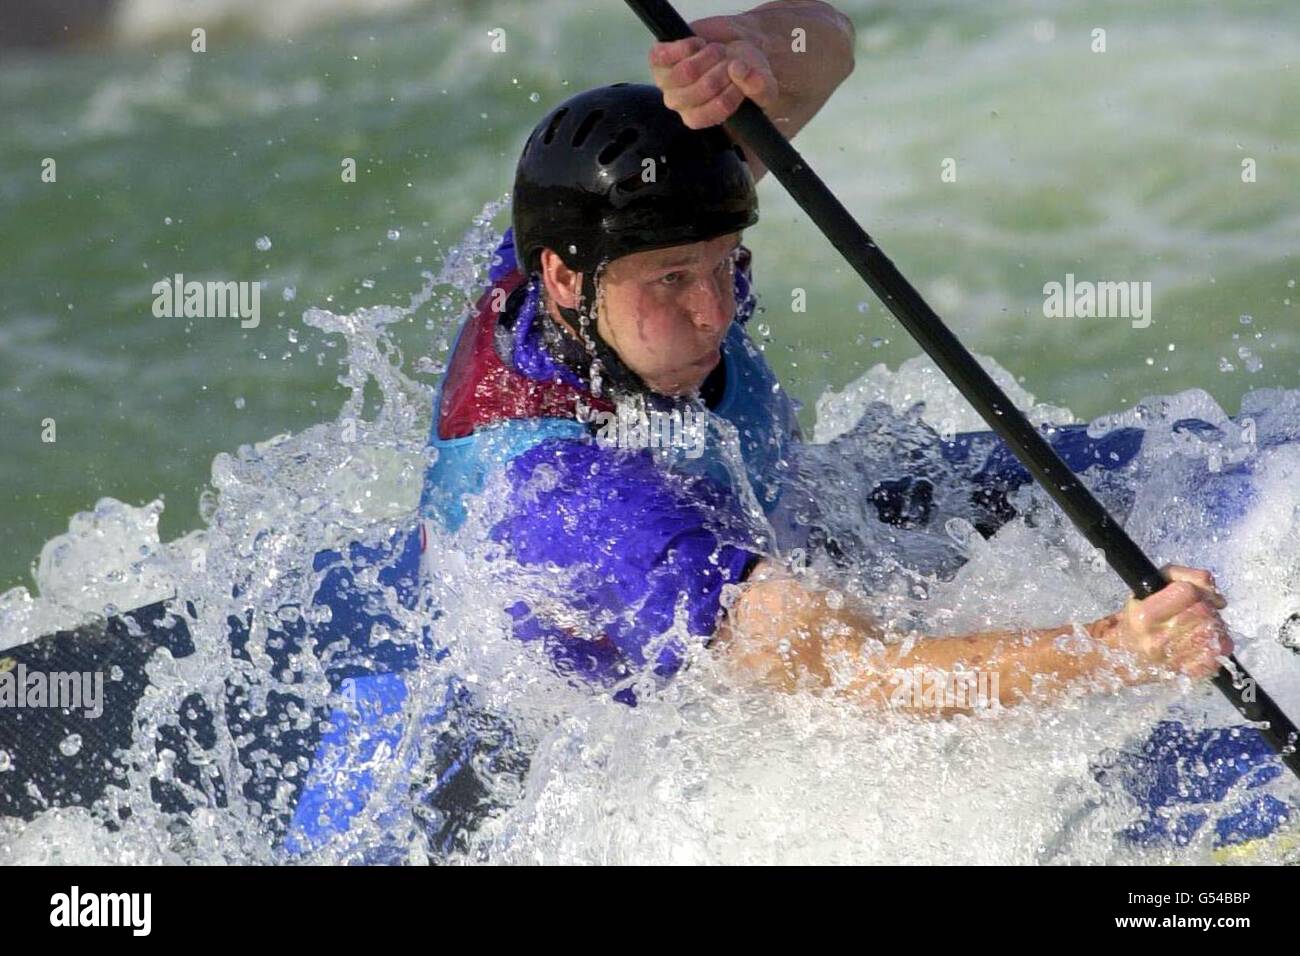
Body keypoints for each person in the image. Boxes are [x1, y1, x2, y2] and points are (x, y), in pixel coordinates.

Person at [417, 0, 1233, 716]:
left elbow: (830, 42)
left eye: (726, 261)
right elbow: (855, 672)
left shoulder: (598, 245)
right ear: (563, 279)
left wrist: (758, 57)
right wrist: (1115, 652)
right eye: (672, 281)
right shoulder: (575, 504)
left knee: (1186, 466)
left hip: (801, 521)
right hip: (666, 719)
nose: (713, 313)